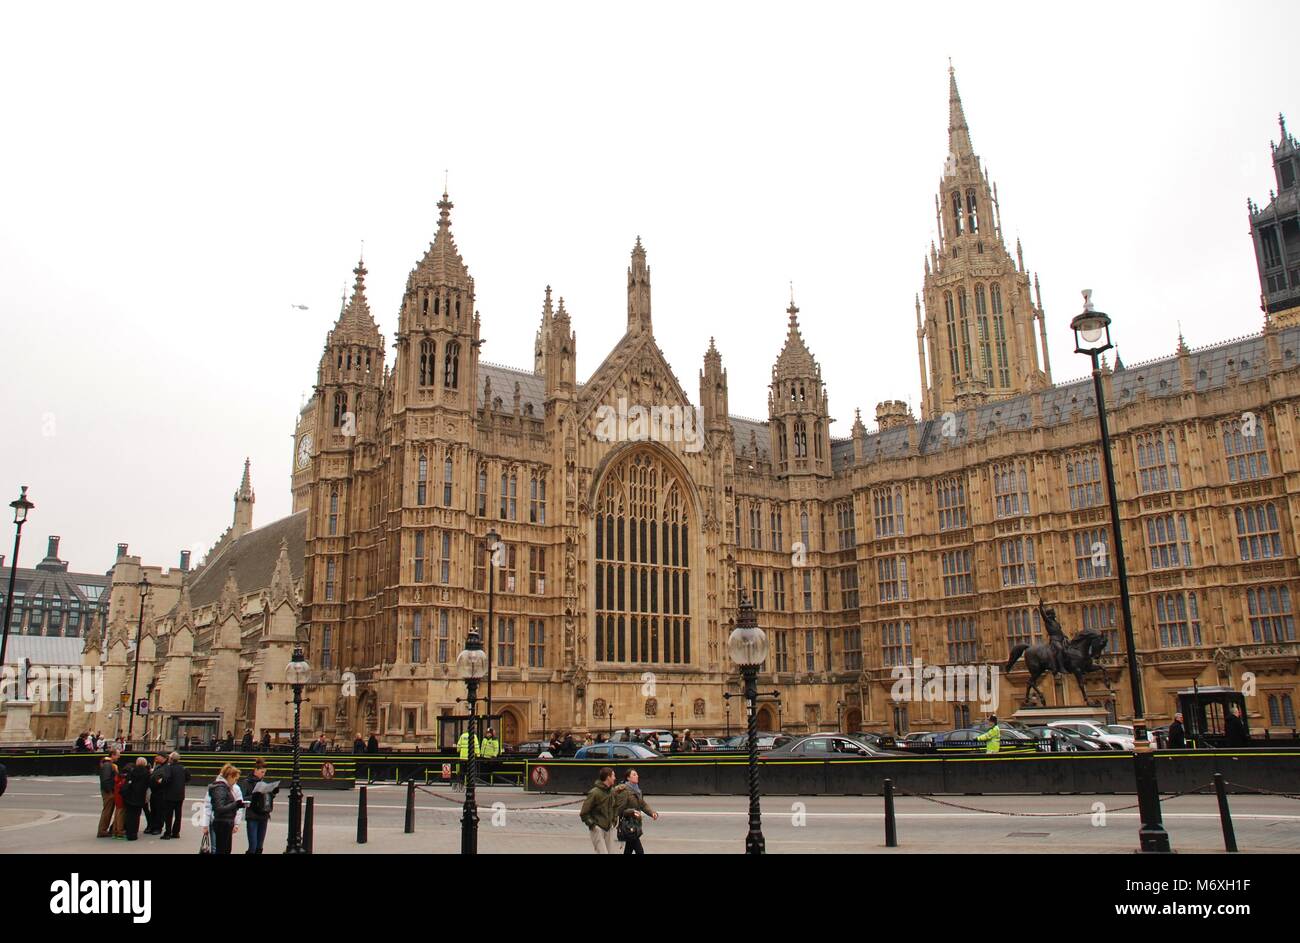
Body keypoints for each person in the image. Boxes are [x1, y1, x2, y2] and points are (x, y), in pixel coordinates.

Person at [613, 768, 659, 854]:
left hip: (635, 824)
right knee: (640, 851)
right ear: (628, 778)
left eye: (637, 774)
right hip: (628, 825)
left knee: (628, 850)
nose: (637, 776)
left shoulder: (637, 790)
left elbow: (642, 804)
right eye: (634, 775)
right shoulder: (624, 791)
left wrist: (652, 813)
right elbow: (619, 810)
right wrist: (631, 812)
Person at [202, 763, 245, 855]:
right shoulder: (220, 788)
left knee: (224, 849)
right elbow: (219, 808)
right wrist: (236, 804)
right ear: (229, 776)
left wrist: (238, 805)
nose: (235, 782)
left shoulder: (224, 787)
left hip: (225, 822)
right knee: (221, 849)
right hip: (222, 823)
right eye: (235, 779)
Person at [240, 758, 277, 854]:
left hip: (263, 814)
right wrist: (255, 796)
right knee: (253, 845)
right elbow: (242, 798)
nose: (263, 774)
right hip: (252, 815)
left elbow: (266, 799)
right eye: (262, 772)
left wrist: (272, 793)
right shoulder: (247, 782)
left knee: (259, 846)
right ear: (255, 770)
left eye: (264, 772)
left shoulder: (263, 782)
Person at [579, 767, 618, 854]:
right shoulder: (594, 793)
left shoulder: (612, 791)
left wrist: (614, 819)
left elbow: (615, 806)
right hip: (598, 829)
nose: (615, 778)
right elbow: (584, 813)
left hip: (609, 828)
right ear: (608, 777)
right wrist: (593, 825)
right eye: (613, 776)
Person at [155, 751, 191, 839]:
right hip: (180, 794)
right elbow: (188, 778)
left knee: (169, 814)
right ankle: (176, 832)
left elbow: (167, 779)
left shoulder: (169, 768)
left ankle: (167, 832)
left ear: (171, 759)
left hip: (170, 794)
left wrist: (161, 781)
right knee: (178, 814)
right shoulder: (183, 768)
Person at [122, 757, 151, 840]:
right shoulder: (146, 773)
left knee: (129, 815)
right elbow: (148, 784)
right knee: (136, 816)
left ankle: (129, 832)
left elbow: (127, 783)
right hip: (140, 796)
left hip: (130, 796)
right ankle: (134, 834)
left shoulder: (132, 771)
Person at [96, 749, 121, 838]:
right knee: (107, 811)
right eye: (118, 755)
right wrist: (110, 791)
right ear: (113, 755)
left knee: (108, 810)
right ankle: (102, 830)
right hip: (109, 792)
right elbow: (106, 779)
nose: (119, 757)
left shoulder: (109, 765)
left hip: (110, 791)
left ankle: (104, 829)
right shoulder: (108, 765)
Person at [144, 753, 167, 834]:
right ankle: (152, 826)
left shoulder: (166, 767)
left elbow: (163, 778)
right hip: (154, 791)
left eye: (158, 756)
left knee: (159, 811)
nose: (156, 757)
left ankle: (158, 827)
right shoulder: (158, 766)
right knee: (153, 809)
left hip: (160, 792)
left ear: (164, 758)